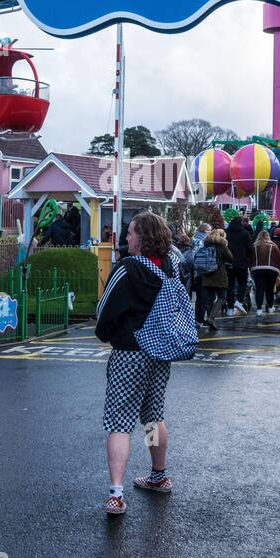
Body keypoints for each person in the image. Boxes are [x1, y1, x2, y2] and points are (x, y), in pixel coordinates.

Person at [95, 212, 192, 516]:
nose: (127, 237)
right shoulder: (172, 267)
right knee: (153, 416)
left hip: (130, 352)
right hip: (161, 353)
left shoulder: (128, 269)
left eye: (131, 232)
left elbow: (105, 311)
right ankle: (158, 475)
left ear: (142, 237)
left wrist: (107, 334)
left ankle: (116, 493)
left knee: (119, 422)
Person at [196, 228, 231, 330]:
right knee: (222, 297)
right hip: (219, 276)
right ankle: (211, 319)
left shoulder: (205, 245)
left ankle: (210, 322)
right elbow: (230, 258)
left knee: (210, 299)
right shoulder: (222, 246)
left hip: (206, 275)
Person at [224, 214, 255, 315]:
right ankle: (239, 301)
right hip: (242, 263)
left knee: (230, 285)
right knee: (243, 283)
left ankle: (229, 308)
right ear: (240, 223)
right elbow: (250, 249)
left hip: (228, 263)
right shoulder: (245, 233)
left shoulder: (226, 232)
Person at [251, 228, 280, 314]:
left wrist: (250, 268)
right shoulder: (273, 246)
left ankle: (259, 309)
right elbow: (279, 259)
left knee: (259, 289)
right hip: (271, 269)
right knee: (270, 290)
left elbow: (251, 258)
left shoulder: (254, 246)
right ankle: (270, 307)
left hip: (257, 269)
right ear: (268, 236)